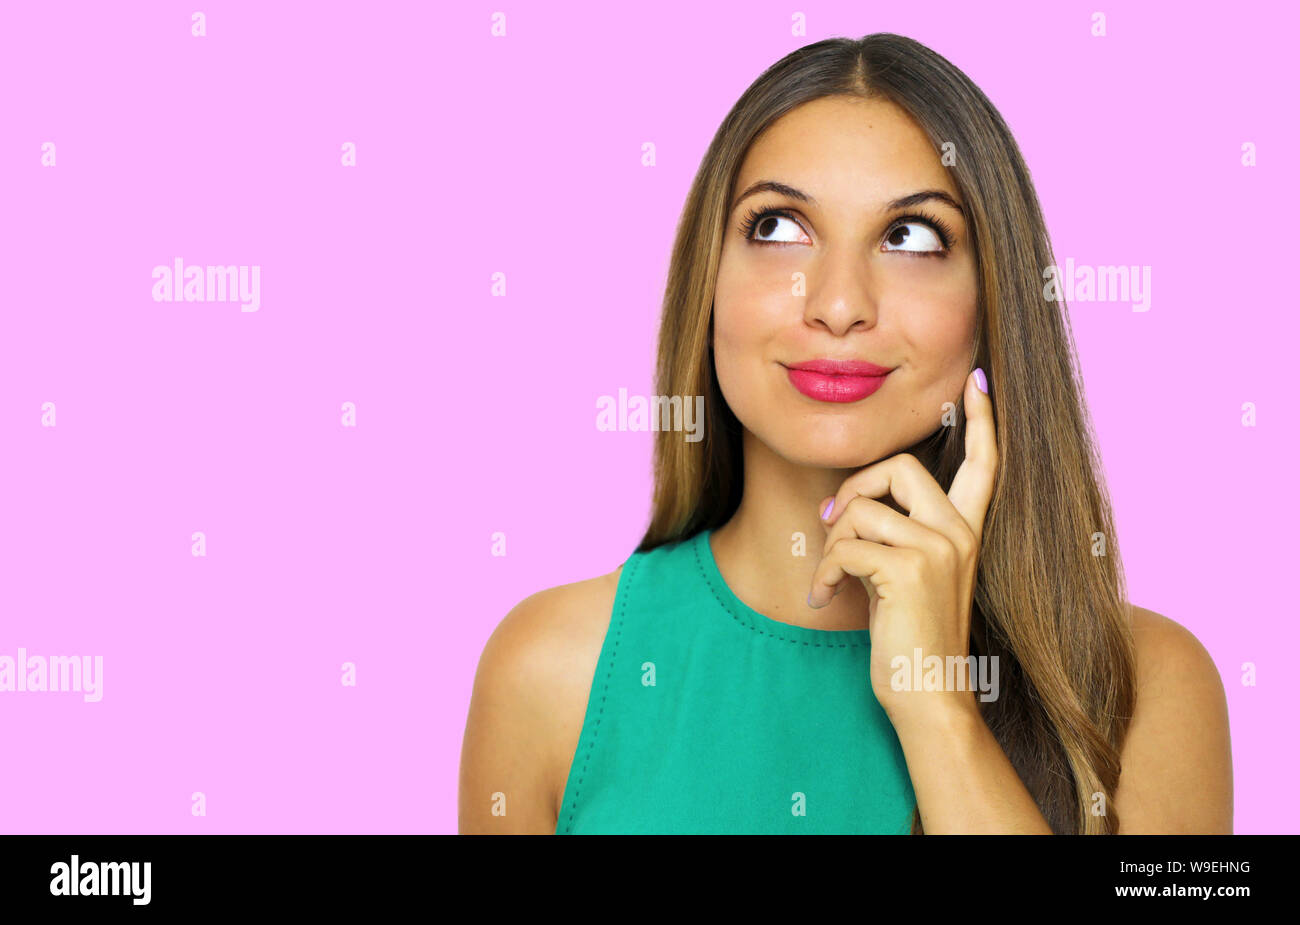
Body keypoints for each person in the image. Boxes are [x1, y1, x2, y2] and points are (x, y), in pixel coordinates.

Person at [458, 33, 1232, 834]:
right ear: (709, 280)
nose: (835, 302)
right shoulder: (552, 673)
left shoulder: (1149, 689)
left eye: (911, 238)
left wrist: (937, 708)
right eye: (779, 227)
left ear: (992, 306)